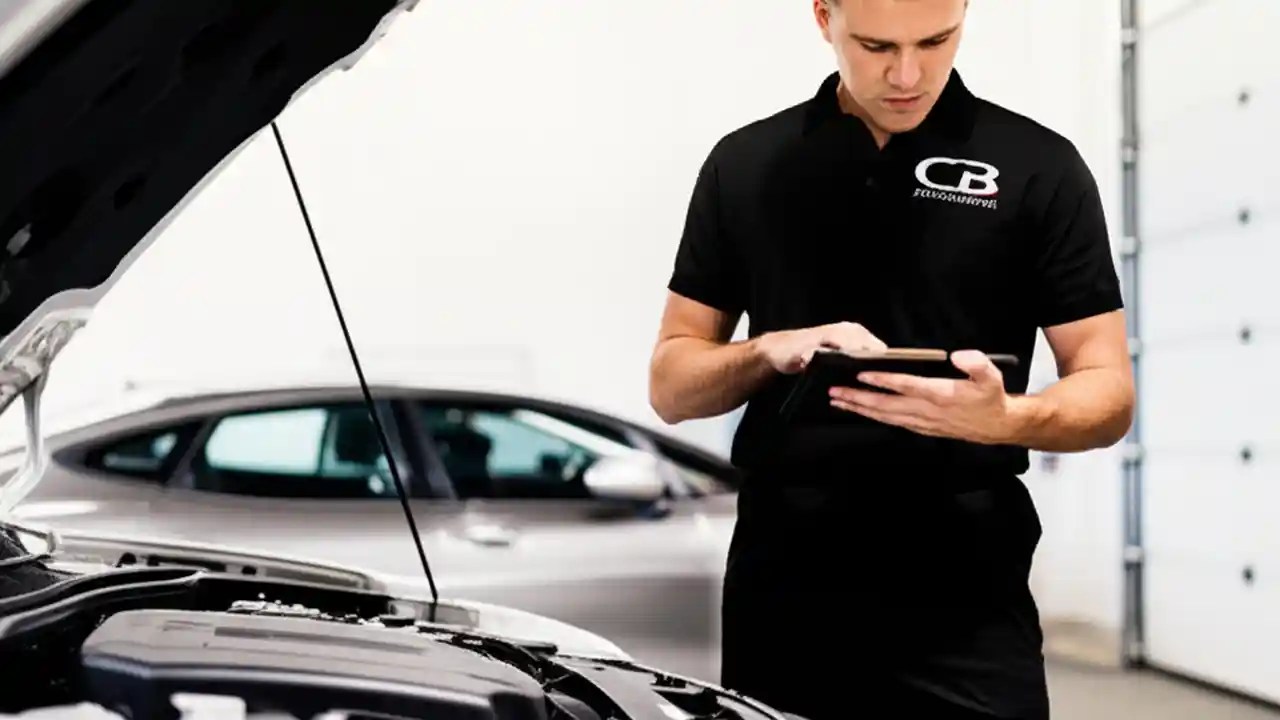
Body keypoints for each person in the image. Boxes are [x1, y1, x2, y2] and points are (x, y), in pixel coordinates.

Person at [648, 1, 1135, 718]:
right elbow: (671, 386)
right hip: (787, 580)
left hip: (966, 584)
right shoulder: (745, 165)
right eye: (877, 45)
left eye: (936, 41)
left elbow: (1109, 389)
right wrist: (767, 350)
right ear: (823, 16)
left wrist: (1004, 419)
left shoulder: (1039, 167)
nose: (908, 74)